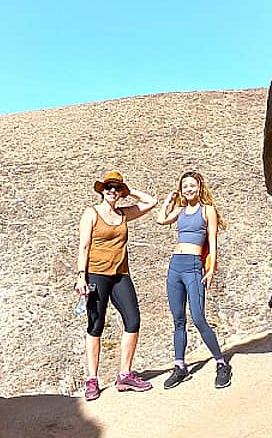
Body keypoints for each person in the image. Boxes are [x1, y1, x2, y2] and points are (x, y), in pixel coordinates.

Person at [75, 170, 158, 401]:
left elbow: (151, 202)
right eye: (109, 187)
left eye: (117, 188)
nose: (113, 191)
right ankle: (92, 379)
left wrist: (129, 191)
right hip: (97, 275)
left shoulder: (123, 214)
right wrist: (81, 276)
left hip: (121, 274)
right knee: (96, 325)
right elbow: (84, 246)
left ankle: (125, 374)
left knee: (133, 320)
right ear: (102, 190)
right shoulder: (91, 214)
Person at [155, 170, 232, 389]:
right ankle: (180, 366)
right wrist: (168, 202)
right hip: (175, 266)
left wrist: (211, 269)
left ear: (199, 187)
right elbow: (161, 220)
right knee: (178, 319)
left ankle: (221, 363)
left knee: (198, 318)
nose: (188, 189)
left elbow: (213, 241)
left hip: (193, 266)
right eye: (184, 186)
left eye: (192, 185)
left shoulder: (208, 210)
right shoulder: (179, 210)